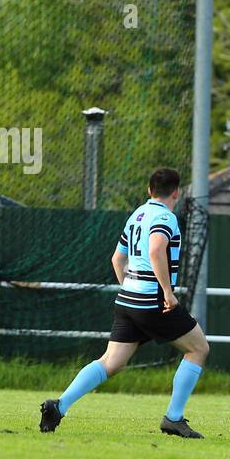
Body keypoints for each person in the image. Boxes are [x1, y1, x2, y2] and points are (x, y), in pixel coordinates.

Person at [38, 168, 209, 439]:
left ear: (149, 190)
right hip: (153, 299)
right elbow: (155, 249)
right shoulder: (166, 217)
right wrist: (167, 291)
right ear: (176, 192)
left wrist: (129, 288)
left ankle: (59, 406)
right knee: (199, 348)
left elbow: (117, 259)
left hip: (127, 298)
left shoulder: (137, 215)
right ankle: (173, 418)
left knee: (111, 362)